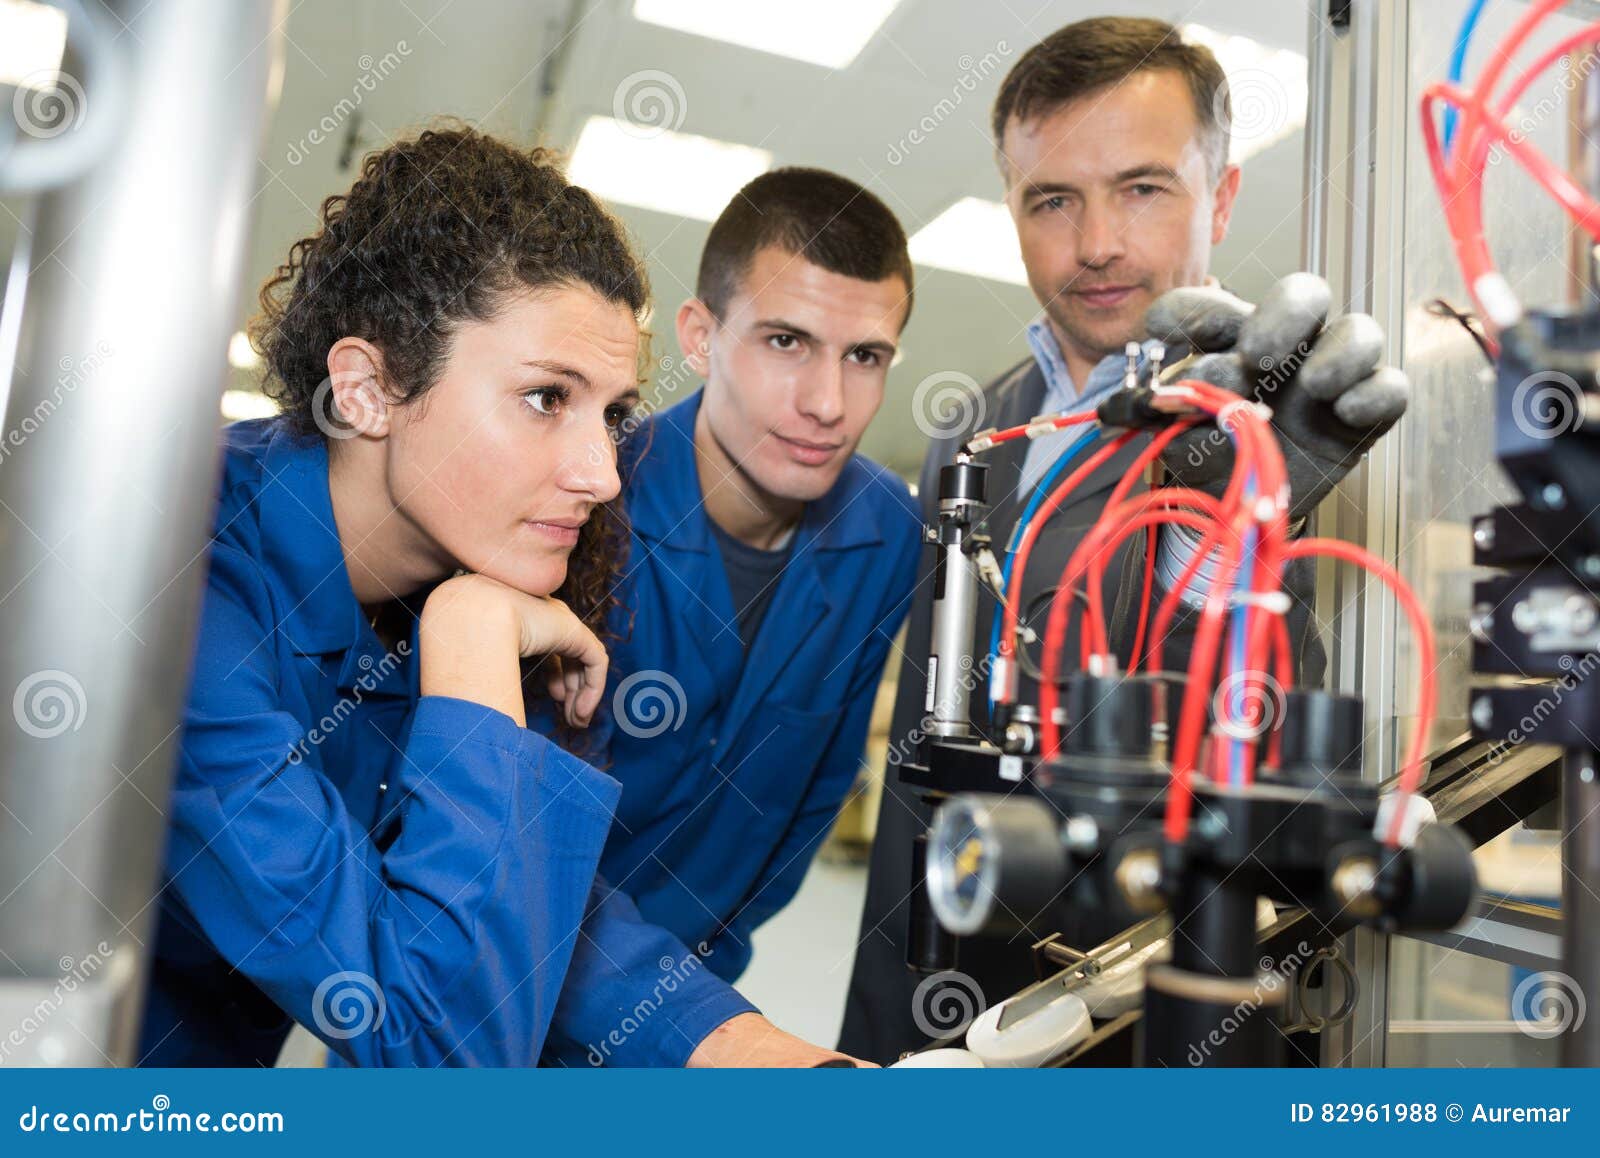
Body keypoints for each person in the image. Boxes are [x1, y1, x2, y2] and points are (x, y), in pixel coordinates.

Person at [141, 126, 852, 1067]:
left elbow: (535, 911)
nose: (604, 473)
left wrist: (789, 1064)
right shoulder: (178, 583)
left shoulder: (458, 577)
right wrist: (471, 639)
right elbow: (443, 1053)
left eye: (613, 414)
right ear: (366, 389)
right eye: (547, 398)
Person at [839, 17, 1411, 1063]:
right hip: (939, 980)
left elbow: (1272, 774)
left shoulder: (1276, 414)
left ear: (1221, 197)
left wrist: (1216, 545)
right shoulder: (976, 427)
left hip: (1155, 1014)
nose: (1096, 241)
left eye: (1142, 188)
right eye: (1051, 199)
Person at [582, 169, 921, 989]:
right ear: (700, 337)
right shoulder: (584, 495)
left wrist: (693, 974)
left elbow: (817, 793)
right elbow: (503, 810)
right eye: (786, 342)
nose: (828, 403)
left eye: (865, 356)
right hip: (499, 970)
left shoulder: (887, 533)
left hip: (695, 985)